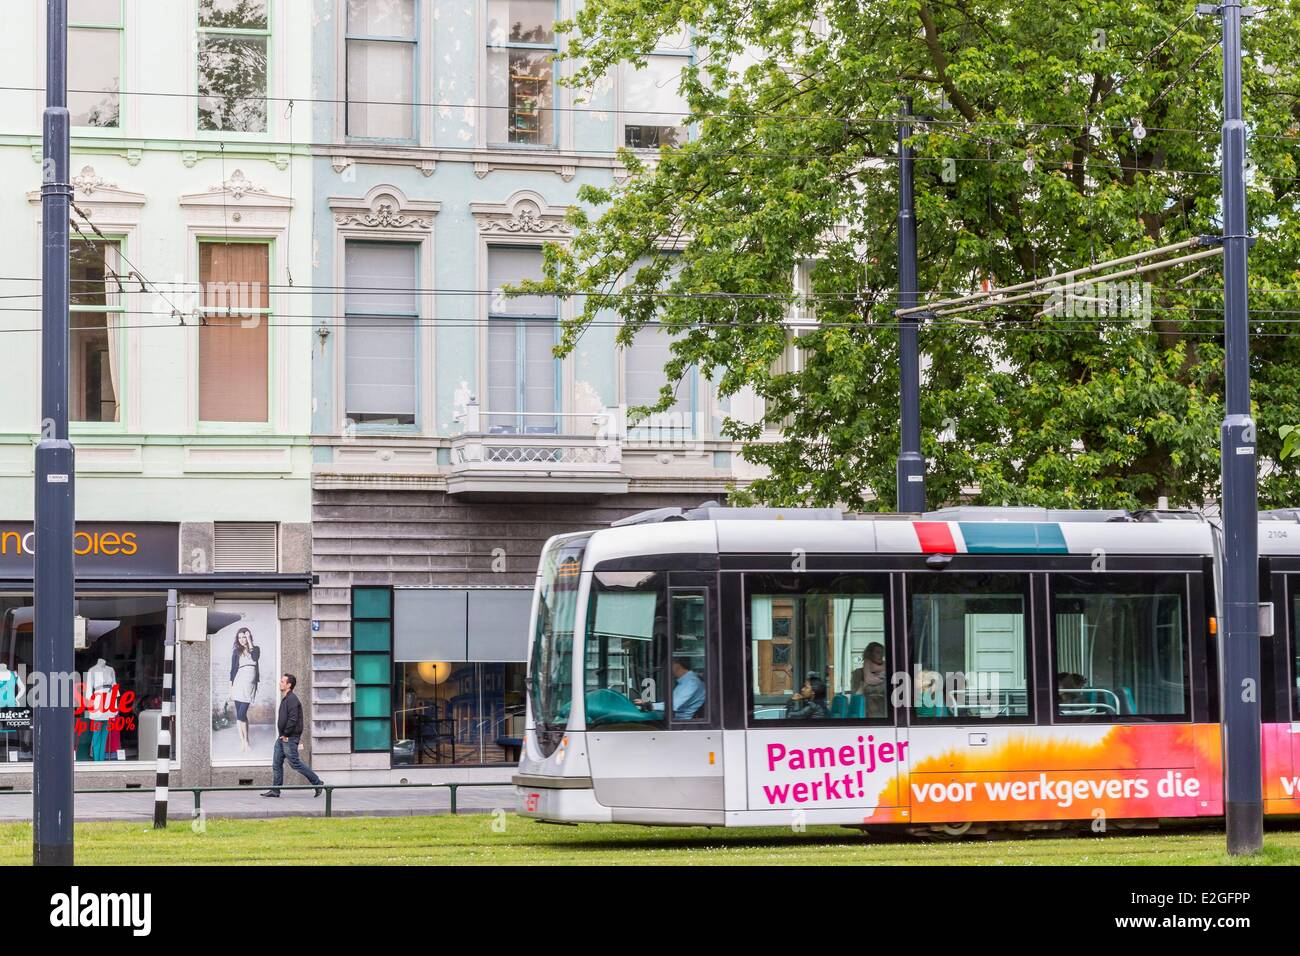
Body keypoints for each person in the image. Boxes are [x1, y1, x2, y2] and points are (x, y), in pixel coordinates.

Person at [262, 673, 323, 798]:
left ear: (289, 685)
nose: (280, 683)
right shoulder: (286, 698)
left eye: (282, 681)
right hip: (282, 738)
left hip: (288, 738)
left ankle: (318, 783)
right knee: (276, 763)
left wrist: (286, 734)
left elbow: (293, 719)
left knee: (295, 763)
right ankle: (275, 790)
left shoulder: (292, 699)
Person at [633, 657, 706, 720]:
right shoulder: (688, 680)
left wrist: (648, 705)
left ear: (677, 665)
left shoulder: (691, 682)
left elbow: (673, 705)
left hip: (679, 723)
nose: (667, 668)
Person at [228, 627, 260, 754]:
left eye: (244, 637)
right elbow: (232, 670)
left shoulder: (255, 649)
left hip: (249, 684)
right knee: (240, 715)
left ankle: (246, 740)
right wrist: (230, 688)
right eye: (240, 637)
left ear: (248, 637)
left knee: (242, 714)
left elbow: (255, 658)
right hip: (238, 682)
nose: (242, 640)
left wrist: (249, 640)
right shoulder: (236, 652)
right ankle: (244, 741)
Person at [854, 643, 888, 718]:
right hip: (868, 706)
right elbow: (868, 680)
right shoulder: (863, 668)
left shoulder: (887, 666)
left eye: (882, 652)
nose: (881, 655)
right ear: (870, 654)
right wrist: (881, 678)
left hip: (884, 707)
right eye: (877, 652)